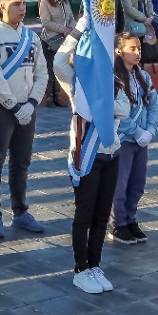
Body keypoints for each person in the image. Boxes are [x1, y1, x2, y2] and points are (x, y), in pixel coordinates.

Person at [0, 0, 48, 238]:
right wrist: (13, 105)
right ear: (2, 6)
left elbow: (42, 72)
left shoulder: (32, 37)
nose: (22, 8)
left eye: (23, 3)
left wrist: (31, 103)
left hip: (26, 108)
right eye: (16, 3)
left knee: (22, 162)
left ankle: (20, 212)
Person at [50, 44, 121, 292]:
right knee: (85, 215)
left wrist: (104, 105)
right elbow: (58, 62)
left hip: (111, 154)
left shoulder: (114, 82)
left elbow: (125, 108)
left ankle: (94, 264)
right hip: (87, 156)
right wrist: (77, 31)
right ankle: (81, 268)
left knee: (102, 215)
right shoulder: (77, 82)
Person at [111, 33, 158, 245]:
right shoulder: (114, 77)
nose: (138, 52)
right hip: (123, 139)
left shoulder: (143, 76)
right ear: (119, 52)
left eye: (139, 48)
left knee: (137, 183)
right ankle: (117, 223)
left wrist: (150, 129)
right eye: (132, 49)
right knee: (119, 184)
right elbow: (118, 112)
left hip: (141, 139)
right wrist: (136, 132)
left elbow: (153, 105)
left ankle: (130, 218)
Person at [37, 0, 75, 106]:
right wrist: (63, 29)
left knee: (60, 67)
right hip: (51, 39)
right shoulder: (45, 2)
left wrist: (71, 28)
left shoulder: (64, 1)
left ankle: (58, 96)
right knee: (50, 68)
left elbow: (70, 17)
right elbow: (46, 22)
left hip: (64, 39)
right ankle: (49, 97)